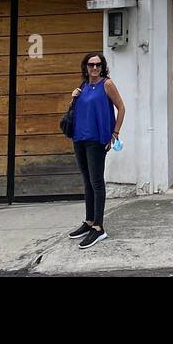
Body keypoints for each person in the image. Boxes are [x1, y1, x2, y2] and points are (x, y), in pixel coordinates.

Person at [68, 52, 125, 248]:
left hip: (97, 141)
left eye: (98, 65)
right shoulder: (82, 86)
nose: (94, 68)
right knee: (87, 181)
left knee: (97, 182)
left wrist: (115, 133)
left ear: (102, 67)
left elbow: (121, 107)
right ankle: (89, 221)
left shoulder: (106, 84)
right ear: (85, 67)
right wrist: (73, 98)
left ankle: (99, 228)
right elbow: (78, 112)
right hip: (79, 139)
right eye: (91, 65)